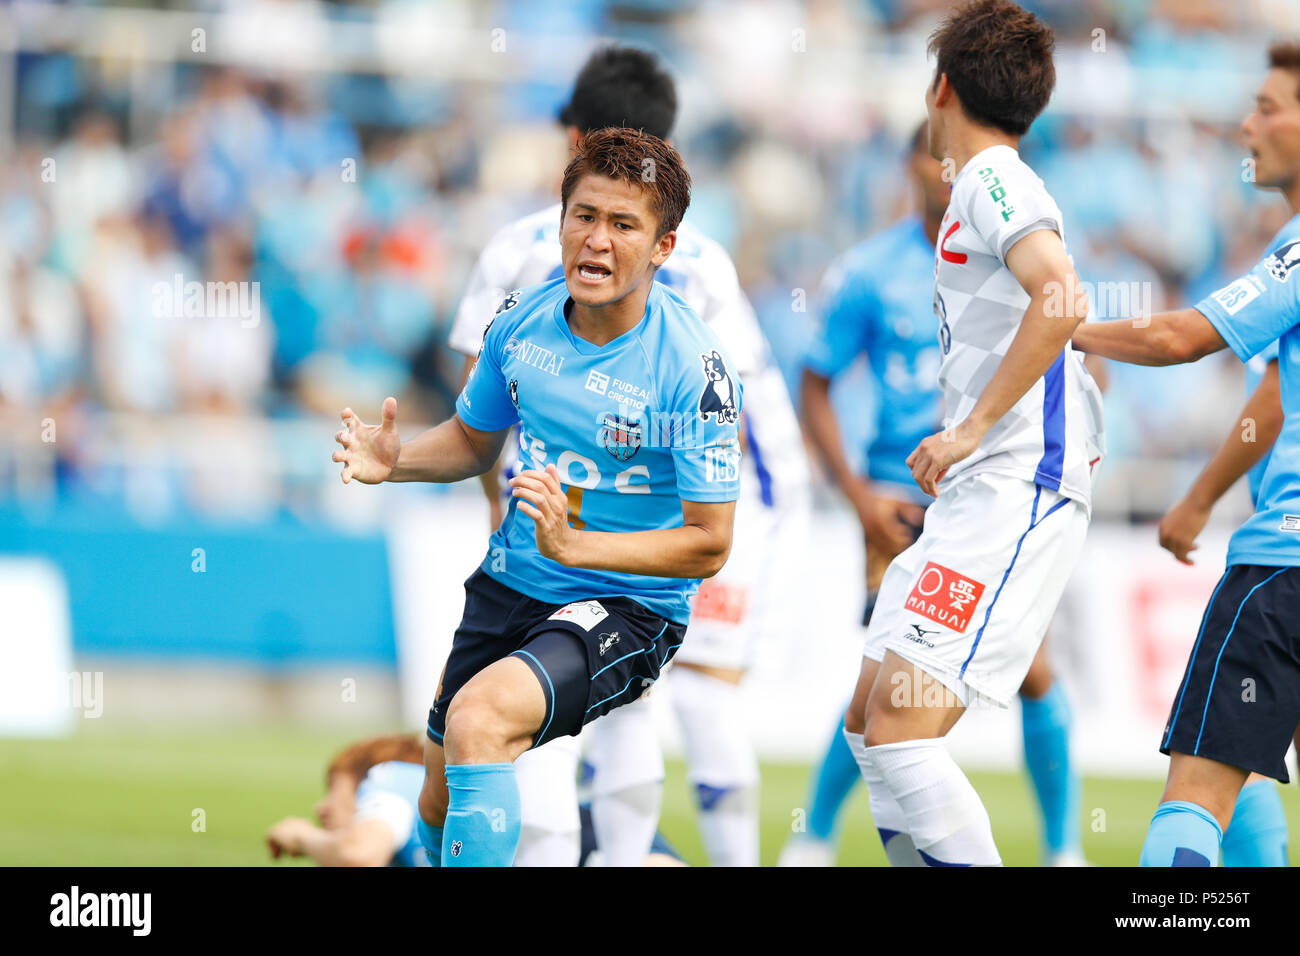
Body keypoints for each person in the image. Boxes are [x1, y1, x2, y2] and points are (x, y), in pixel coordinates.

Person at [333, 127, 742, 867]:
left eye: (623, 225)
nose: (596, 240)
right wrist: (394, 460)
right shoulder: (519, 324)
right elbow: (473, 440)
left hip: (627, 605)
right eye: (584, 216)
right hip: (511, 582)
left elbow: (711, 542)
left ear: (663, 248)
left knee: (480, 722)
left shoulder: (695, 371)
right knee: (437, 798)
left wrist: (575, 547)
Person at [448, 45, 809, 867]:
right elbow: (485, 409)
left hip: (691, 512)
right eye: (589, 215)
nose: (600, 242)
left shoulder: (517, 248)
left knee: (660, 706)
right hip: (613, 515)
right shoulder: (699, 260)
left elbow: (720, 413)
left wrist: (514, 515)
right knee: (569, 720)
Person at [840, 0, 1105, 867]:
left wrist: (971, 429)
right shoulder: (990, 186)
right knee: (870, 722)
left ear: (941, 85)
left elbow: (1062, 299)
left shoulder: (992, 179)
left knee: (902, 732)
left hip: (1013, 486)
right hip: (978, 492)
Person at [782, 120, 1088, 866]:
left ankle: (1064, 846)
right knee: (883, 685)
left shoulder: (1011, 245)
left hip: (994, 489)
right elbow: (816, 381)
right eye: (930, 155)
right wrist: (855, 497)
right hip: (898, 494)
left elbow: (1067, 329)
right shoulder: (869, 270)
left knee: (1032, 670)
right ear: (910, 166)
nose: (945, 169)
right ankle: (814, 836)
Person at [1073, 43, 1300, 867]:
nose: (1248, 123)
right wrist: (1201, 497)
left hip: (1288, 567)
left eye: (1270, 107)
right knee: (1250, 768)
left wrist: (1059, 331)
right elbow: (1277, 395)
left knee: (1197, 796)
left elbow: (1177, 335)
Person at [266, 734, 430, 867]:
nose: (320, 808)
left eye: (333, 789)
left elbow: (358, 857)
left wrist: (301, 836)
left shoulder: (394, 777)